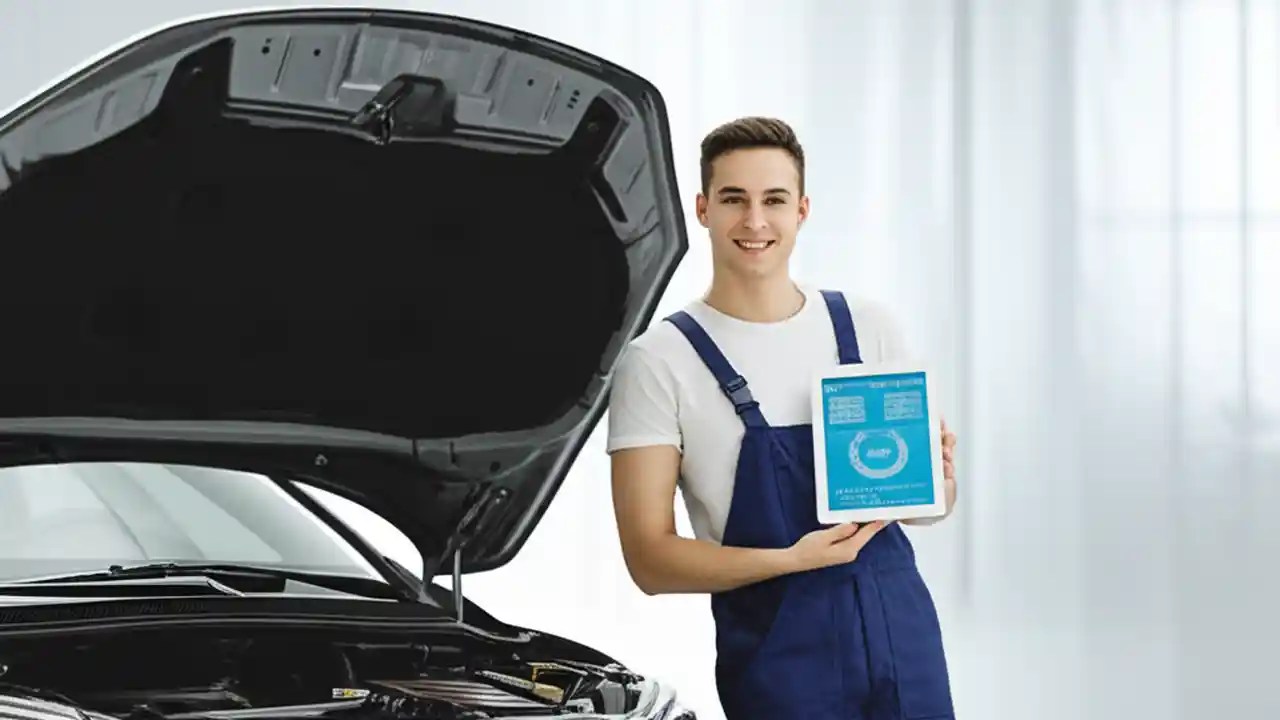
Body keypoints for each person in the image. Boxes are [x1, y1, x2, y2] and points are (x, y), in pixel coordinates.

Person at [606, 116, 959, 720]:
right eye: (733, 199)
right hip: (778, 655)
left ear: (802, 209)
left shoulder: (867, 327)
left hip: (902, 638)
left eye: (773, 200)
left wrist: (938, 482)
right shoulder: (659, 361)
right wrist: (792, 560)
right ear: (702, 209)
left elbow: (928, 510)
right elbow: (650, 560)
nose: (755, 221)